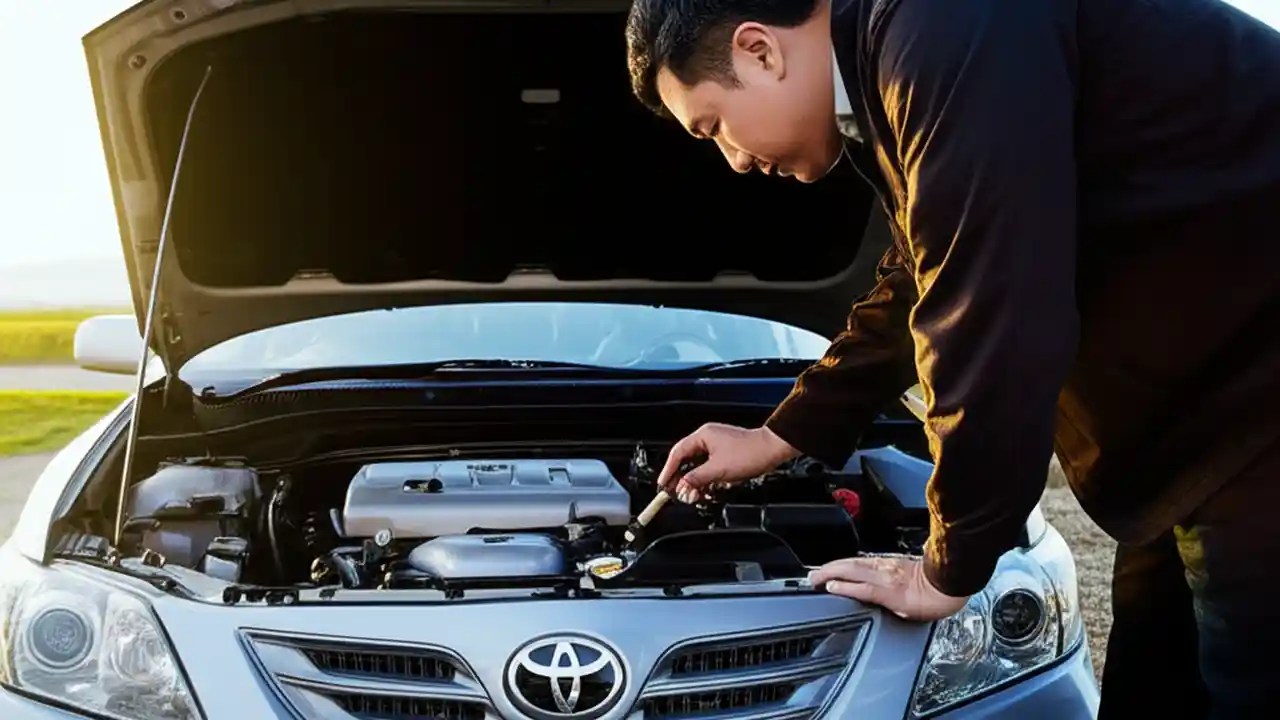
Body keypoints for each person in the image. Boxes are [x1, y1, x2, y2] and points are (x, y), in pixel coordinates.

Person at [623, 0, 1280, 716]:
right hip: (1202, 433)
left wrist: (949, 566)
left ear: (759, 50)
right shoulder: (907, 54)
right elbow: (920, 279)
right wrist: (779, 435)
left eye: (714, 127)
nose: (736, 160)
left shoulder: (948, 24)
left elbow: (986, 303)